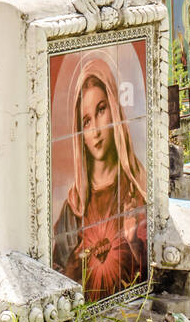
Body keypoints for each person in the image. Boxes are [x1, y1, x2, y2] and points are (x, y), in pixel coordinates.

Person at [51, 54, 148, 301]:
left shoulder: (136, 189)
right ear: (79, 132)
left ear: (114, 109)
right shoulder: (74, 207)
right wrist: (77, 264)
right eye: (86, 121)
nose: (94, 129)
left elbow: (154, 266)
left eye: (101, 110)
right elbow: (54, 278)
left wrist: (133, 241)